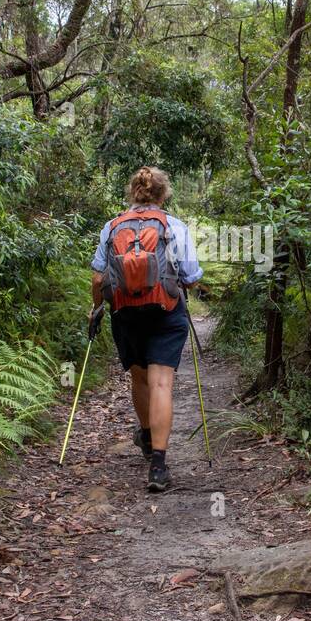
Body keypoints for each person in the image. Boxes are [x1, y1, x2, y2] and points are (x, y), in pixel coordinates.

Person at [90, 166, 202, 491]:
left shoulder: (112, 227)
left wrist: (96, 308)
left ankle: (147, 436)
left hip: (126, 313)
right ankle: (158, 468)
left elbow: (99, 277)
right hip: (166, 312)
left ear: (133, 192)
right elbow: (192, 277)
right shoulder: (175, 227)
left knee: (139, 378)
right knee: (161, 384)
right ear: (163, 194)